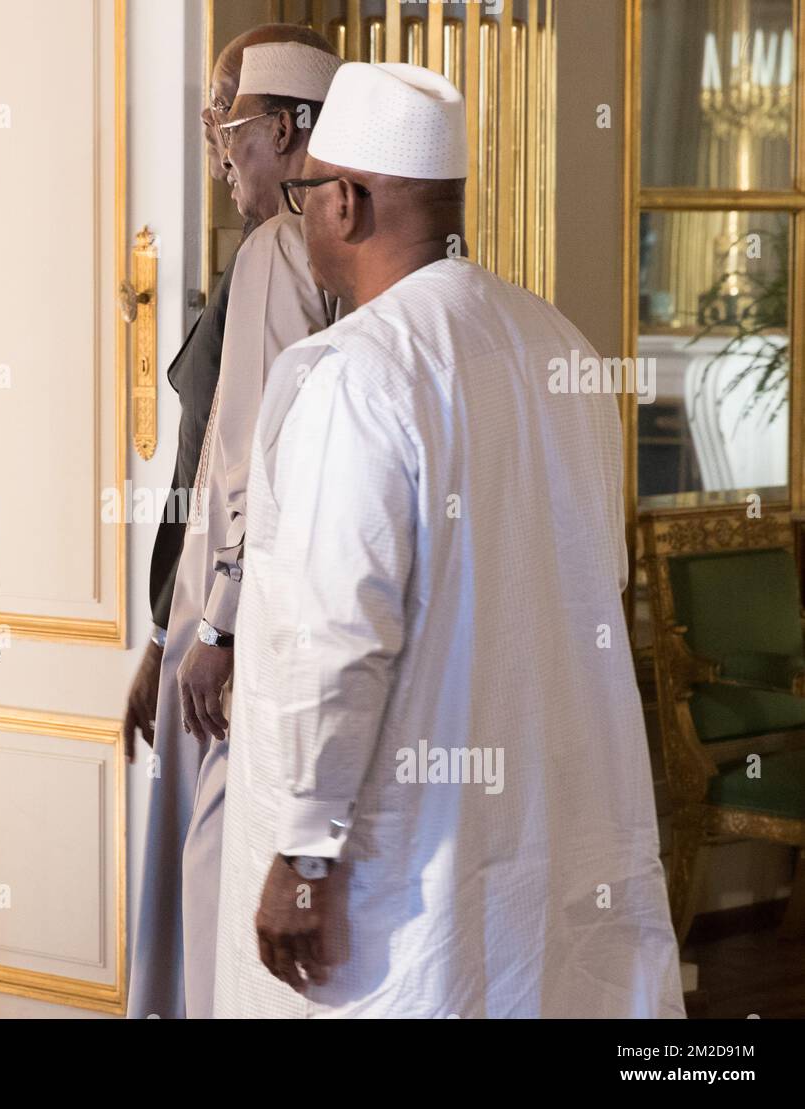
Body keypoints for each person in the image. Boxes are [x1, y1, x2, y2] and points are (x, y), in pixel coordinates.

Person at [213, 61, 686, 1018]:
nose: (299, 218)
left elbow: (340, 638)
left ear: (344, 202)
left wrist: (305, 852)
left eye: (305, 194)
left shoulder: (355, 375)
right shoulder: (560, 346)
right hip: (534, 839)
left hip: (393, 874)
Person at [127, 38, 341, 1020]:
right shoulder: (327, 243)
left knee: (215, 866)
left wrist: (207, 628)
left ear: (287, 130)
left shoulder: (278, 248)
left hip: (240, 622)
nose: (222, 150)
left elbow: (261, 462)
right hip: (240, 611)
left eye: (234, 128)